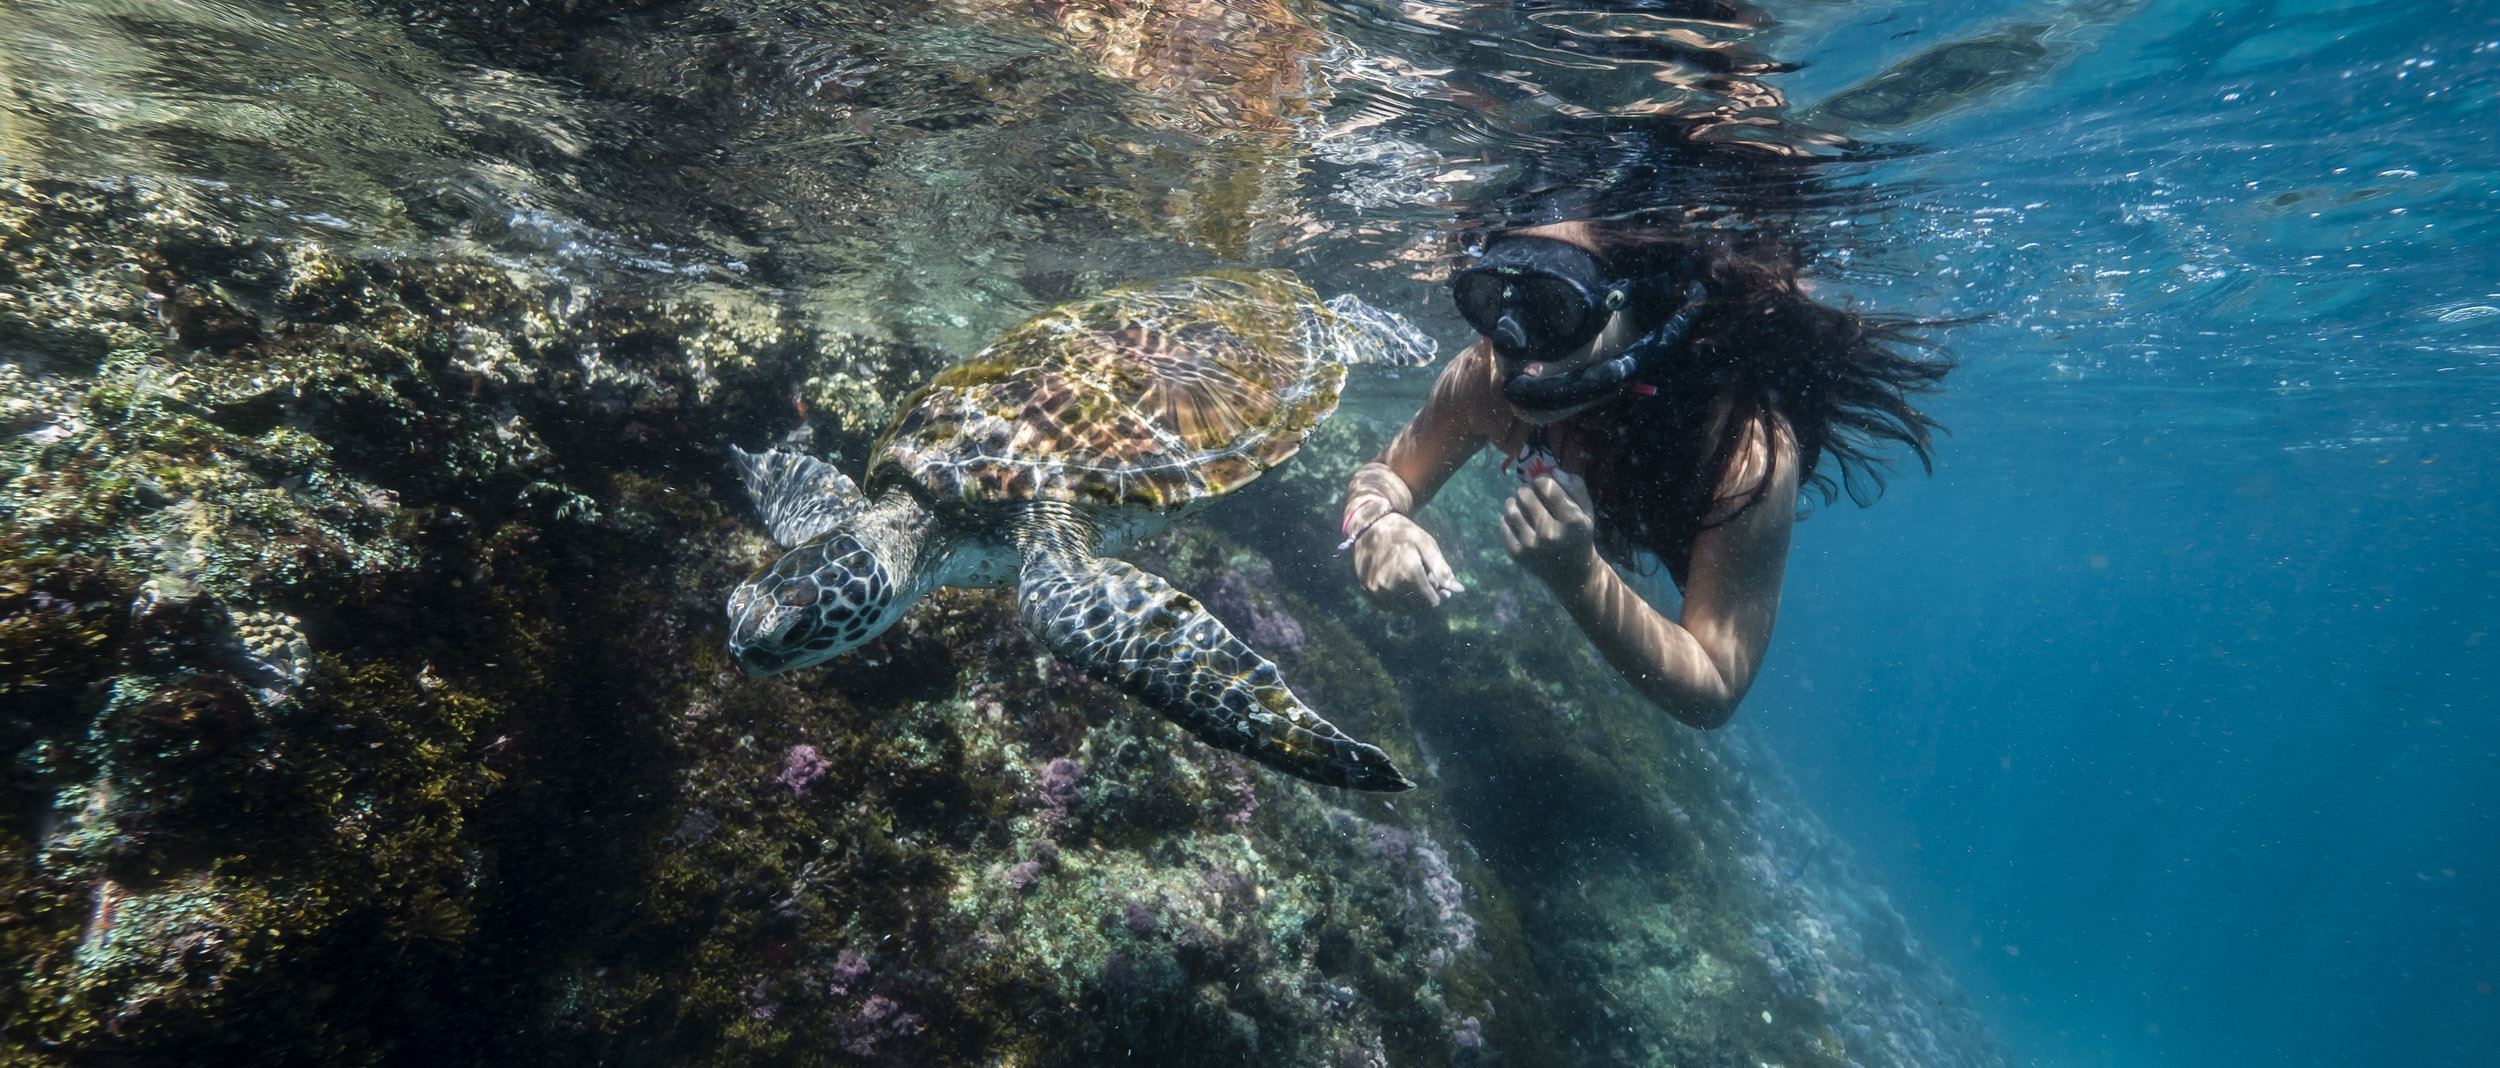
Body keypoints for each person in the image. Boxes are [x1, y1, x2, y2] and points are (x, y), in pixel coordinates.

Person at [1339, 218, 1949, 729]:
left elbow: (1716, 684)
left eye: (1553, 307)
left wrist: (1578, 578)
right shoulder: (1487, 377)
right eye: (1492, 300)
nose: (1514, 344)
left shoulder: (1741, 446)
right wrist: (1375, 526)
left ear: (1629, 305)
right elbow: (1389, 474)